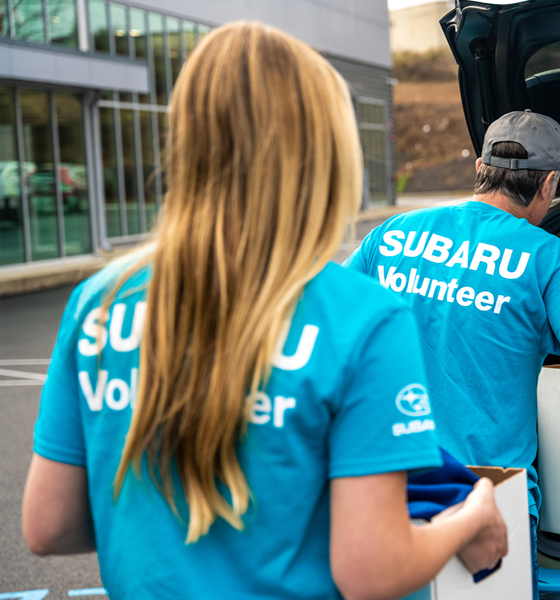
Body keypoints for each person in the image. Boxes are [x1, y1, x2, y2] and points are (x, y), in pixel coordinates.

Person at [21, 22, 506, 600]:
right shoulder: (361, 318)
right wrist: (472, 519)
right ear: (325, 153)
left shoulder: (98, 302)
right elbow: (372, 570)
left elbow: (49, 526)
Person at [345, 109, 560, 597]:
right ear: (549, 183)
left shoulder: (394, 233)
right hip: (488, 492)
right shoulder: (545, 255)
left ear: (478, 169)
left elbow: (334, 328)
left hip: (385, 479)